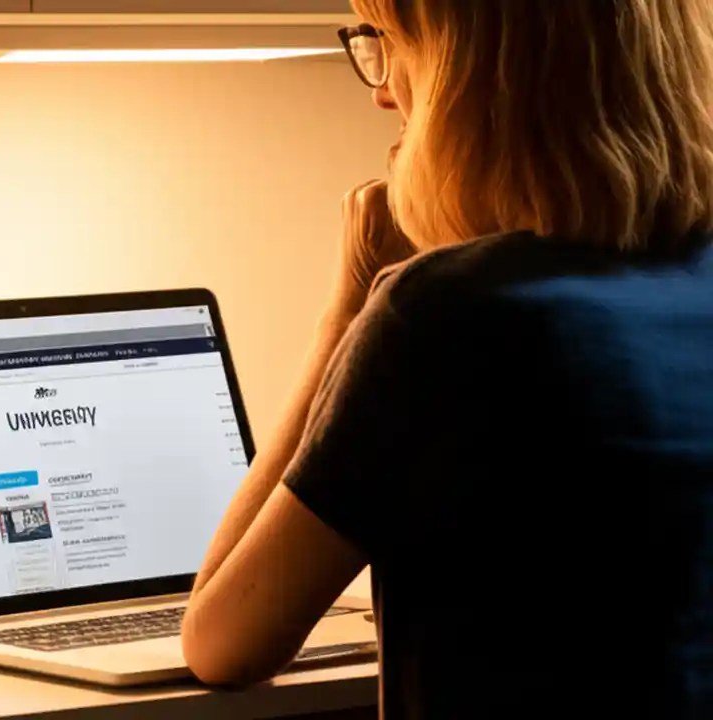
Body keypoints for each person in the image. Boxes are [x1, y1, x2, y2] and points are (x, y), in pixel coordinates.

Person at [180, 1, 713, 718]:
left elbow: (222, 643)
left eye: (391, 44)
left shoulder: (447, 314)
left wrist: (351, 304)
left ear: (473, 77)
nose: (382, 92)